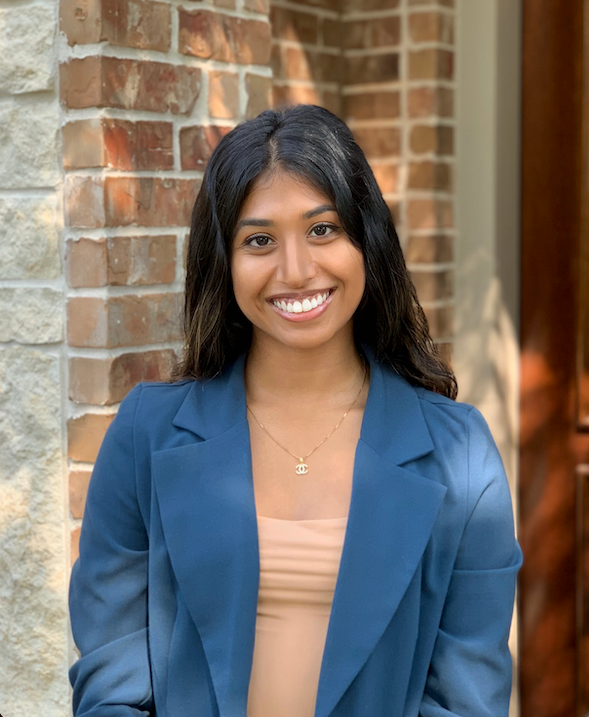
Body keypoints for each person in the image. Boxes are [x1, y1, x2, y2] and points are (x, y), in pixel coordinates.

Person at [69, 104, 522, 717]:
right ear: (223, 261)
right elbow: (112, 687)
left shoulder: (460, 455)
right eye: (259, 240)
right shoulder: (145, 436)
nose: (297, 270)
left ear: (366, 240)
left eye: (322, 230)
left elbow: (467, 698)